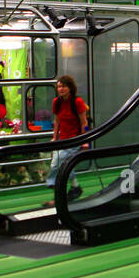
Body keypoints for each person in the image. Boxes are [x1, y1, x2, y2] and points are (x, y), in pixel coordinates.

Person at [44, 75, 89, 206]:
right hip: (62, 139)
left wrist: (84, 139)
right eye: (59, 86)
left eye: (63, 86)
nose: (61, 89)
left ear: (70, 88)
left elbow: (84, 122)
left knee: (58, 163)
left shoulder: (77, 102)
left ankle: (52, 184)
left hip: (75, 139)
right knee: (61, 164)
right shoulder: (57, 102)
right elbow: (57, 120)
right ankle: (75, 187)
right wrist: (54, 137)